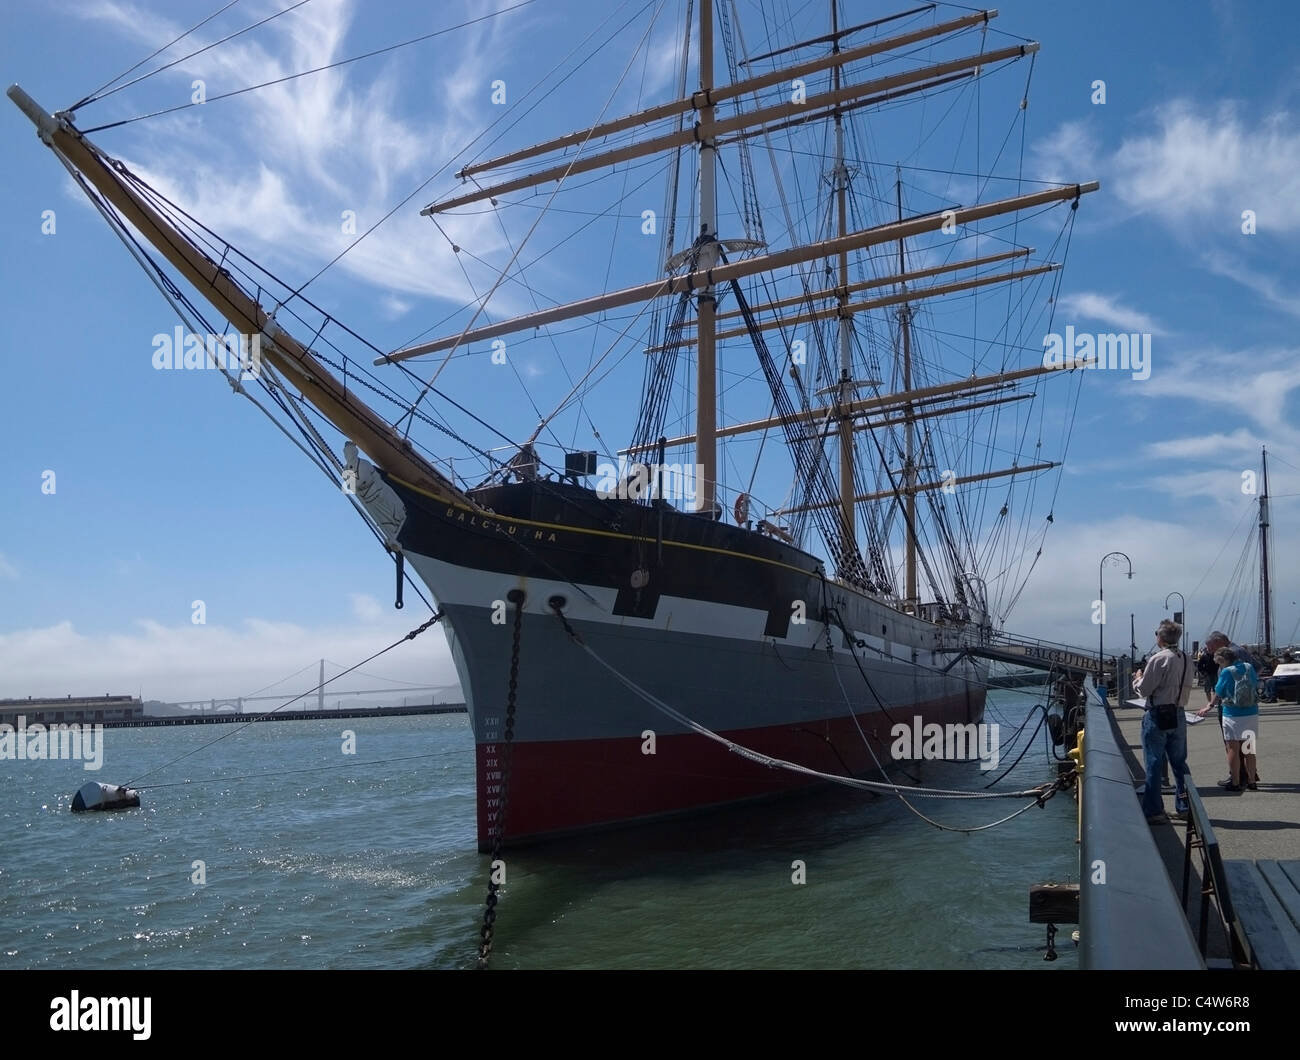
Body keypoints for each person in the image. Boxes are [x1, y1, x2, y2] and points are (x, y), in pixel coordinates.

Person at [1133, 619, 1193, 823]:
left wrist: (1137, 678)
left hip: (1158, 714)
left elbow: (1144, 690)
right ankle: (1184, 805)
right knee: (1179, 764)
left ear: (1161, 637)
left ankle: (1154, 810)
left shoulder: (1159, 659)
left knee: (1154, 763)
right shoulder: (1186, 658)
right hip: (1179, 713)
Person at [1196, 648, 1259, 792]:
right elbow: (1255, 683)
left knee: (1233, 748)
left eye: (1219, 663)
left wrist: (1209, 705)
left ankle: (1236, 782)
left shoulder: (1226, 672)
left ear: (1223, 660)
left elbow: (1218, 691)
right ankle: (1252, 781)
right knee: (1249, 749)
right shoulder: (1248, 667)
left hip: (1232, 713)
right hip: (1251, 712)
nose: (1219, 666)